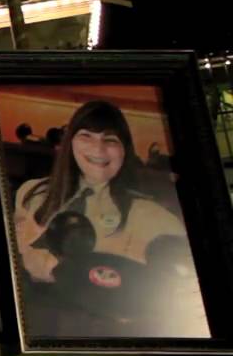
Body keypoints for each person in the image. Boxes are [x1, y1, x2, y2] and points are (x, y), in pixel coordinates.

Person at [12, 100, 205, 336]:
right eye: (86, 136)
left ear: (125, 149)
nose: (98, 149)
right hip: (34, 325)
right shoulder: (33, 194)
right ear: (70, 141)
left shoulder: (154, 218)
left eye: (110, 140)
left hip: (104, 332)